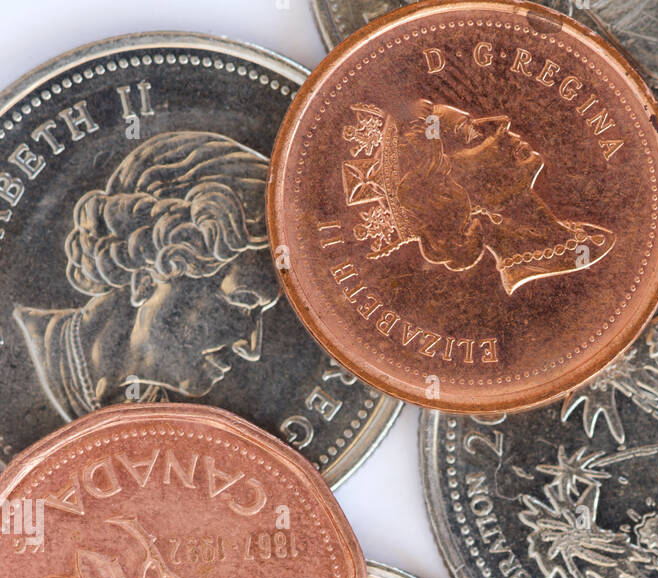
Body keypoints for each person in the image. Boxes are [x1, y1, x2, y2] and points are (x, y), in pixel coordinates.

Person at [14, 131, 279, 420]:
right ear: (146, 280)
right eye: (242, 303)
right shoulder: (20, 355)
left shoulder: (157, 418)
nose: (251, 348)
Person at [343, 101, 615, 295]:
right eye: (472, 135)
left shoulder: (576, 238)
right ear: (454, 192)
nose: (500, 123)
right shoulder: (542, 284)